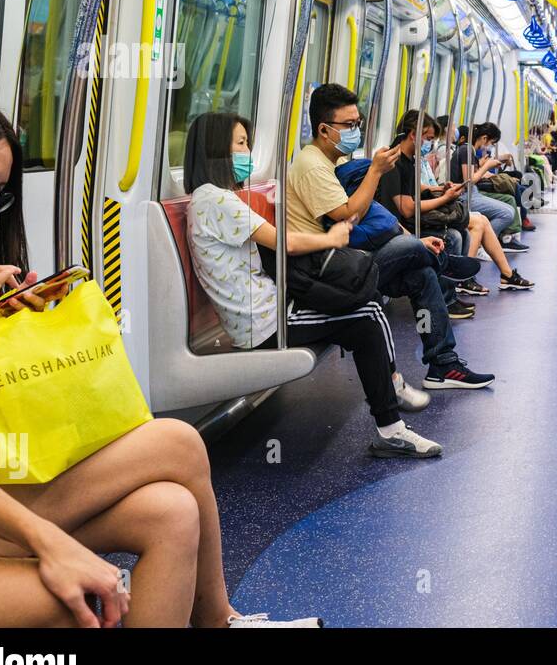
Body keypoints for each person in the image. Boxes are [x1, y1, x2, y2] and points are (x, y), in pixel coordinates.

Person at [0, 91, 314, 627]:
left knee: (171, 513)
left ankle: (219, 620)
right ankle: (220, 620)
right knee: (174, 440)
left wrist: (6, 319)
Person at [184, 112, 442, 457]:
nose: (247, 153)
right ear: (216, 150)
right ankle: (391, 419)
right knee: (367, 318)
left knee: (368, 312)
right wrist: (332, 239)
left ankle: (390, 411)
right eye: (241, 144)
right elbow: (284, 244)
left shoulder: (211, 197)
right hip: (262, 325)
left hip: (271, 308)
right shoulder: (215, 200)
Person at [287, 86, 495, 388]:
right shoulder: (311, 166)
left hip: (349, 260)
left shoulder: (336, 164)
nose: (355, 130)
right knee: (418, 255)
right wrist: (375, 172)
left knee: (421, 273)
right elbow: (347, 214)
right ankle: (446, 264)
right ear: (323, 129)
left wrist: (414, 238)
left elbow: (370, 211)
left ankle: (443, 364)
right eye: (348, 125)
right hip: (326, 272)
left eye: (358, 123)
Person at [380, 110, 534, 294]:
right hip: (404, 223)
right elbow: (406, 209)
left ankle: (504, 275)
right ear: (413, 135)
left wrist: (439, 189)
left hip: (416, 215)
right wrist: (445, 198)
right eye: (428, 138)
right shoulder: (394, 162)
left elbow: (413, 187)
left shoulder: (409, 160)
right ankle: (460, 283)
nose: (430, 144)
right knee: (463, 231)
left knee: (479, 221)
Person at [450, 123, 529, 253]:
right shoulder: (467, 150)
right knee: (507, 213)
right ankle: (481, 246)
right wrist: (487, 165)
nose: (489, 146)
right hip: (465, 196)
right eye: (491, 142)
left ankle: (484, 244)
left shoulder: (469, 150)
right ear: (484, 138)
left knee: (509, 208)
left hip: (472, 193)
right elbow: (468, 181)